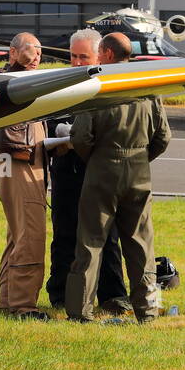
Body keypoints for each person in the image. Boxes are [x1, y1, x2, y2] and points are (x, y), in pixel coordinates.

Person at [65, 32, 170, 323]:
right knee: (141, 245)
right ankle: (148, 311)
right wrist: (140, 158)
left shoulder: (100, 85)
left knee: (90, 242)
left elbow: (80, 135)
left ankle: (79, 311)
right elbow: (163, 137)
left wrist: (96, 159)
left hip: (102, 169)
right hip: (139, 171)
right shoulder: (149, 86)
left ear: (108, 55)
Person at [46, 27, 130, 314]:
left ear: (100, 55)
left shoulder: (111, 86)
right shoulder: (58, 85)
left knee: (108, 235)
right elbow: (45, 125)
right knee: (64, 234)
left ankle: (112, 295)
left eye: (84, 56)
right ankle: (59, 294)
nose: (78, 62)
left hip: (99, 173)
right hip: (65, 171)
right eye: (73, 56)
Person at [0, 32, 49, 321]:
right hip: (21, 161)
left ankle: (8, 299)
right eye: (30, 51)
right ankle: (24, 306)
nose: (36, 56)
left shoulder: (7, 80)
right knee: (31, 233)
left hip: (9, 161)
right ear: (12, 52)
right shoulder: (14, 83)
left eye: (39, 52)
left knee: (17, 232)